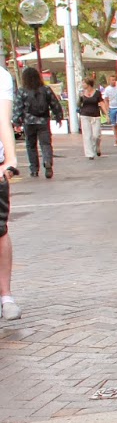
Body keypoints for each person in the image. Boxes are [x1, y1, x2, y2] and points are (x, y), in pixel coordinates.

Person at [16, 66, 62, 180]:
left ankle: (34, 169)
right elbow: (55, 103)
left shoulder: (22, 91)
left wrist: (17, 121)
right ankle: (47, 161)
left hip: (28, 121)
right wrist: (58, 116)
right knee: (45, 144)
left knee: (31, 145)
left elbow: (18, 107)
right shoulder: (46, 89)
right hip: (43, 121)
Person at [0, 63, 20, 319]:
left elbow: (3, 120)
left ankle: (5, 295)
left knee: (0, 230)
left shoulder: (1, 77)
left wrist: (11, 159)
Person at [77, 75, 104, 160]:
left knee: (96, 135)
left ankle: (96, 147)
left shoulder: (97, 93)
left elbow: (102, 103)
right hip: (85, 115)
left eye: (84, 83)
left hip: (96, 115)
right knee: (87, 135)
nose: (83, 84)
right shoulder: (81, 93)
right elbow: (78, 104)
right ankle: (90, 154)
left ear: (88, 84)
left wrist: (107, 113)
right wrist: (80, 98)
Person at [103, 77, 117, 147]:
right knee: (114, 124)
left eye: (114, 80)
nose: (113, 81)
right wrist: (107, 110)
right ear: (109, 81)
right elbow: (106, 100)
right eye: (112, 80)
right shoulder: (107, 89)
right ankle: (116, 139)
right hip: (112, 108)